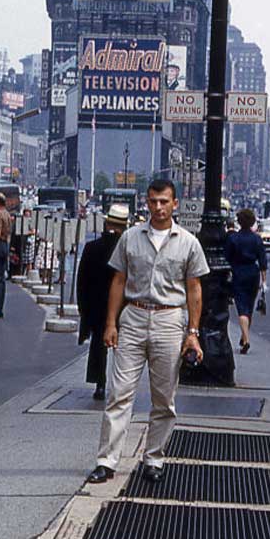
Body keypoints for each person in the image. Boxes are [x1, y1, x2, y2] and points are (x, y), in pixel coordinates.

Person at [85, 178, 209, 485]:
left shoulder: (188, 242)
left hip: (169, 319)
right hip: (134, 316)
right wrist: (111, 323)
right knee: (119, 392)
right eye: (153, 201)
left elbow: (194, 289)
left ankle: (154, 458)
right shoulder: (130, 238)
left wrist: (193, 332)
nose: (158, 207)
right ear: (146, 202)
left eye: (164, 201)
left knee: (164, 398)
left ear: (175, 204)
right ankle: (107, 460)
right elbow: (118, 281)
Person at [77, 203, 130, 400]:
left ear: (107, 223)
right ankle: (122, 385)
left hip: (97, 305)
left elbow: (82, 281)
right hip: (124, 305)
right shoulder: (128, 250)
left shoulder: (92, 248)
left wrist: (83, 308)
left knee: (98, 346)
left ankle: (100, 384)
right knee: (123, 347)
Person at [225, 208, 268, 355]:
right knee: (249, 306)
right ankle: (244, 337)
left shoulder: (233, 238)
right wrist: (264, 281)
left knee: (241, 307)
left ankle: (246, 339)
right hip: (253, 273)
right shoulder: (257, 239)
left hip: (238, 272)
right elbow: (263, 261)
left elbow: (226, 258)